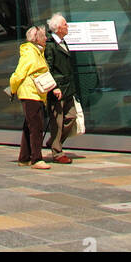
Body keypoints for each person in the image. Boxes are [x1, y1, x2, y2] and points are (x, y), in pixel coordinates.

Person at [9, 25, 62, 170]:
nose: (46, 38)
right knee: (36, 127)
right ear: (36, 38)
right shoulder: (30, 53)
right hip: (30, 94)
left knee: (29, 126)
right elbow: (19, 74)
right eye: (43, 36)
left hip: (36, 94)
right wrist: (12, 89)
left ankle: (25, 158)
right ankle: (36, 159)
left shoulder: (38, 52)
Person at [43, 14, 79, 163]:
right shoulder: (51, 45)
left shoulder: (62, 42)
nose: (67, 26)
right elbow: (48, 68)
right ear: (57, 28)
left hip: (68, 88)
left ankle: (54, 142)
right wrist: (54, 87)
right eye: (65, 24)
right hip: (58, 90)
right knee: (57, 122)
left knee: (71, 116)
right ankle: (57, 153)